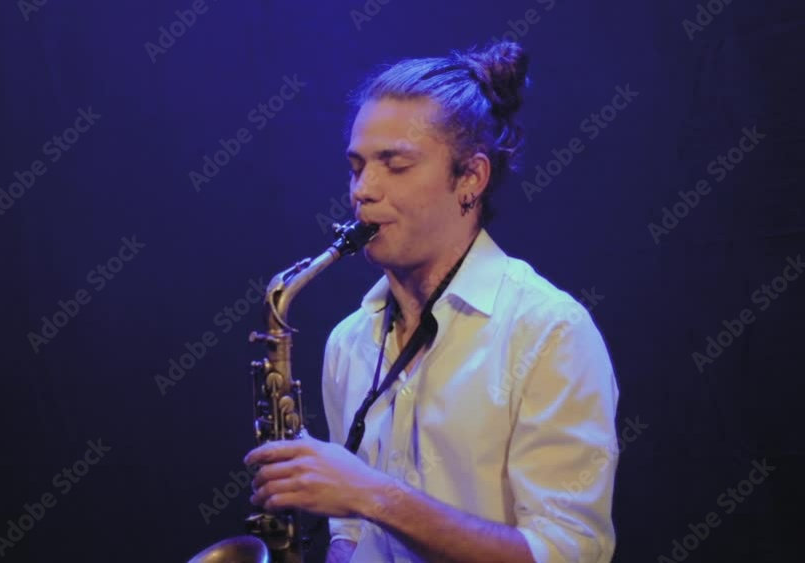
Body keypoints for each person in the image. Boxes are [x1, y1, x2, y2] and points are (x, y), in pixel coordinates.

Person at [244, 40, 620, 563]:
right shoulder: (348, 342)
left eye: (394, 165)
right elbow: (349, 535)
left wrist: (372, 494)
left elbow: (565, 554)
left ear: (471, 179)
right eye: (357, 167)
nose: (363, 191)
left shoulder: (549, 332)